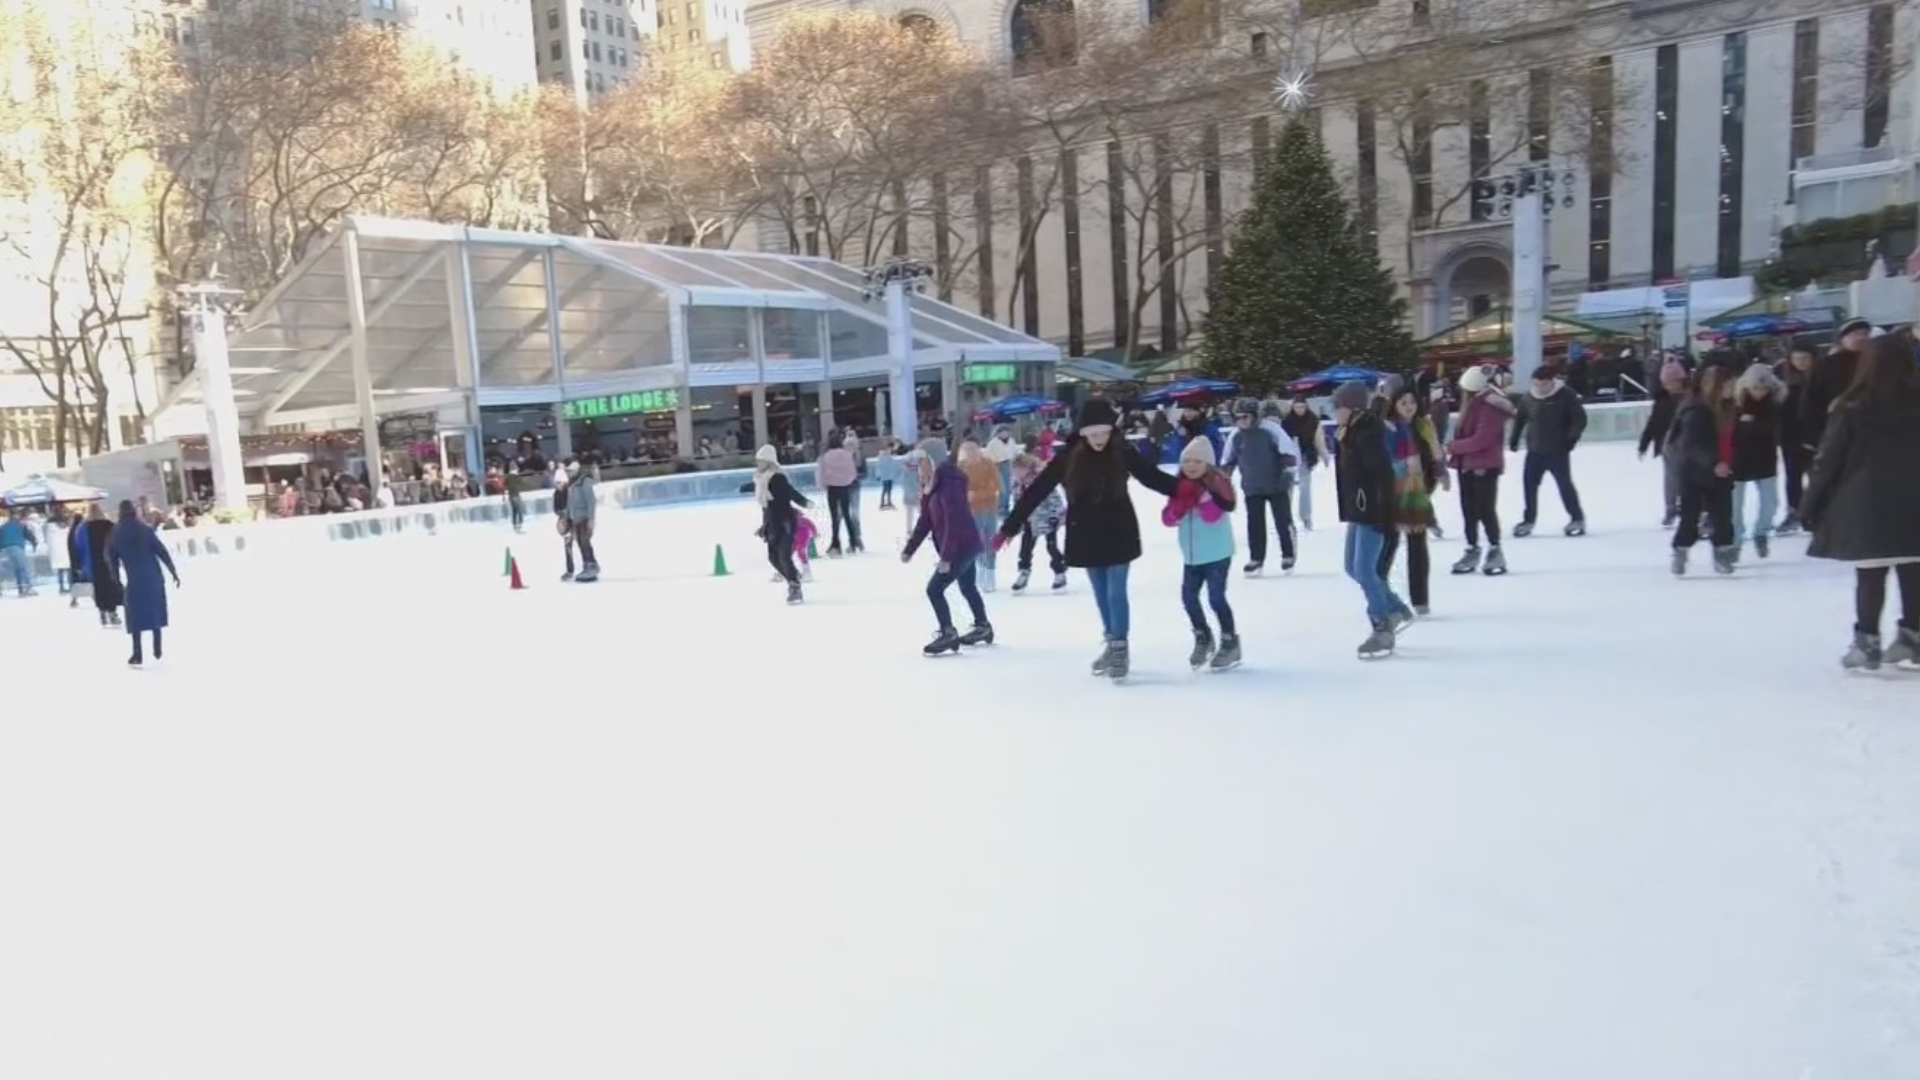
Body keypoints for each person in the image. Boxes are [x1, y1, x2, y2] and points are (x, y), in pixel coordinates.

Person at [998, 398, 1180, 682]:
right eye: (1093, 434)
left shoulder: (1122, 451)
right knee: (1100, 592)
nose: (1099, 439)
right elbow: (1037, 491)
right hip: (1085, 531)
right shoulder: (1068, 457)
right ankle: (1112, 640)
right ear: (1082, 432)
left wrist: (1189, 489)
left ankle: (1120, 647)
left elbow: (1152, 477)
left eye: (1104, 433)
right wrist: (1009, 527)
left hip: (1119, 528)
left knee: (1115, 590)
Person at [1801, 331, 1920, 669]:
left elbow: (1828, 461)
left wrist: (1809, 505)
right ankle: (1913, 635)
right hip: (1915, 502)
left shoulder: (1853, 407)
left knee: (1871, 575)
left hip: (1868, 504)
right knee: (1914, 568)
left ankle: (1867, 641)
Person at [1333, 381, 1411, 658]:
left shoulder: (1370, 433)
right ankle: (1396, 609)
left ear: (1353, 408)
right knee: (1353, 569)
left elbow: (1382, 475)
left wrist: (1381, 511)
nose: (1334, 412)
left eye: (1338, 406)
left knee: (1366, 571)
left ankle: (1382, 628)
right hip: (1358, 509)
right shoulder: (1349, 431)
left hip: (1374, 512)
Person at [902, 439, 992, 655]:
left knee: (934, 589)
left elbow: (955, 521)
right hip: (965, 545)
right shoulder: (932, 484)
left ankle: (948, 633)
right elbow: (926, 520)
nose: (919, 465)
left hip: (962, 545)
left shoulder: (949, 483)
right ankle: (983, 626)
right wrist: (910, 548)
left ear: (933, 460)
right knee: (968, 587)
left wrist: (947, 557)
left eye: (922, 460)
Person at [1164, 436, 1241, 671]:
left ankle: (1230, 642)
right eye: (1187, 461)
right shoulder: (1179, 487)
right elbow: (1167, 519)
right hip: (1192, 556)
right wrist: (1177, 508)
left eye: (1197, 461)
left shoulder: (1217, 485)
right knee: (1188, 598)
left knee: (1216, 597)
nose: (1191, 465)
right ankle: (1203, 636)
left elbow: (1212, 516)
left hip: (1217, 553)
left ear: (1208, 463)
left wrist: (1199, 499)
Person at [1381, 381, 1446, 616]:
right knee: (1387, 546)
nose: (1408, 407)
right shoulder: (1388, 429)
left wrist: (1439, 475)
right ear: (1395, 405)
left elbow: (1436, 455)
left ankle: (1420, 599)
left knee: (1417, 546)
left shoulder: (1425, 426)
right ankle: (1381, 594)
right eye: (1403, 403)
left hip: (1418, 493)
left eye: (1412, 402)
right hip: (1392, 493)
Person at [1668, 365, 1738, 576]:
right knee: (1690, 516)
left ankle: (1722, 553)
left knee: (1723, 516)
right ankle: (1681, 549)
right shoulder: (1696, 411)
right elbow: (1691, 445)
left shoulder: (1728, 408)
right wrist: (1713, 463)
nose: (1732, 390)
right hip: (1693, 472)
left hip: (1723, 471)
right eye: (1728, 386)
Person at [1447, 364, 1514, 576]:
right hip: (1466, 465)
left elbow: (1483, 439)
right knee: (1469, 510)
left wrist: (1453, 447)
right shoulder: (1474, 403)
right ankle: (1472, 548)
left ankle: (1495, 549)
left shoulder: (1488, 405)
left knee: (1485, 510)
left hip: (1484, 466)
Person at [1220, 399, 1299, 576]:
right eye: (1237, 417)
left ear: (1256, 416)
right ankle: (1256, 558)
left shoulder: (1270, 430)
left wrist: (1287, 474)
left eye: (1245, 417)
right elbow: (1227, 460)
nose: (1241, 421)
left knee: (1282, 521)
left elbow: (1288, 452)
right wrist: (1223, 481)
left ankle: (1288, 554)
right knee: (1254, 524)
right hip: (1252, 487)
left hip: (1276, 485)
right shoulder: (1236, 436)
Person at [1509, 365, 1588, 537]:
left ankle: (1577, 518)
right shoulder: (1529, 397)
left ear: (1551, 381)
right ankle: (1528, 520)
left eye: (1543, 384)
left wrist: (1571, 439)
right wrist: (1514, 438)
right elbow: (1520, 418)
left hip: (1558, 449)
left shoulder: (1566, 394)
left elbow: (1579, 419)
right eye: (1536, 384)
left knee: (1564, 485)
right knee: (1529, 486)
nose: (1539, 388)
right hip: (1535, 450)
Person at [107, 499, 180, 667]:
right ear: (134, 511)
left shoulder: (116, 533)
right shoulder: (145, 530)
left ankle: (137, 652)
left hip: (134, 579)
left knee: (135, 614)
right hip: (153, 575)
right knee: (155, 609)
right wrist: (173, 571)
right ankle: (157, 646)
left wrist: (116, 579)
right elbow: (161, 551)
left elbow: (111, 559)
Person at [1730, 361, 1786, 560]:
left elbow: (1776, 429)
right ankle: (1735, 542)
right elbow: (1730, 432)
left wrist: (1752, 426)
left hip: (1765, 458)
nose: (1759, 392)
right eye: (1755, 387)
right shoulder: (1735, 403)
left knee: (1770, 503)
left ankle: (1761, 533)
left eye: (1763, 388)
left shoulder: (1776, 404)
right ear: (1746, 386)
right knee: (1734, 507)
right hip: (1738, 459)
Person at [754, 444, 810, 604]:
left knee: (784, 555)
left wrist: (804, 502)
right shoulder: (760, 479)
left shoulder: (777, 477)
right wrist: (764, 525)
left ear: (769, 461)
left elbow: (789, 492)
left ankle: (794, 587)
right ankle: (793, 577)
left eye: (761, 461)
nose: (758, 464)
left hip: (785, 520)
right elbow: (766, 504)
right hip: (771, 521)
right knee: (773, 557)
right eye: (758, 461)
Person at [1638, 360, 1688, 527]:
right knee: (1671, 479)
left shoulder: (1692, 397)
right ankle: (1671, 509)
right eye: (1665, 383)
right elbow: (1653, 423)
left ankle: (1689, 507)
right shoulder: (1662, 400)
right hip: (1668, 443)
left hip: (1690, 442)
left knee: (1689, 478)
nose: (1668, 386)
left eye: (1671, 382)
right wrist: (1643, 444)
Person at [1008, 451, 1066, 592]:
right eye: (1014, 470)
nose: (1017, 473)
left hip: (1047, 518)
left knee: (1051, 547)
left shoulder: (1041, 480)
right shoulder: (1016, 483)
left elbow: (1055, 500)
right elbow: (1017, 502)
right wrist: (1017, 520)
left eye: (1020, 469)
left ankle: (1059, 572)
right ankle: (1024, 572)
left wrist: (1055, 516)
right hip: (1029, 520)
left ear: (1028, 468)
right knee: (1026, 548)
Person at [1774, 345, 1816, 534]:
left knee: (1816, 475)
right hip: (1789, 434)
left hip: (1816, 433)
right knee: (1793, 475)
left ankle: (1815, 512)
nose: (1801, 362)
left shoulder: (1820, 377)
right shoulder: (1781, 378)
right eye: (1797, 358)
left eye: (1805, 358)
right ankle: (1794, 511)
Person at [959, 439, 1003, 591]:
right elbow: (960, 489)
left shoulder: (988, 464)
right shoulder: (962, 467)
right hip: (972, 511)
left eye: (974, 451)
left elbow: (995, 486)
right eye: (968, 452)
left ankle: (990, 573)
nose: (971, 455)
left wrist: (976, 493)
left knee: (991, 541)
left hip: (990, 508)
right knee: (976, 543)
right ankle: (981, 571)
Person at [1278, 397, 1327, 531]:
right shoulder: (1287, 421)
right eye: (1297, 407)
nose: (1300, 410)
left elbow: (1318, 439)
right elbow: (1281, 440)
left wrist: (1324, 454)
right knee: (1289, 489)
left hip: (1307, 457)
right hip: (1290, 459)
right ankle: (1287, 518)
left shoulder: (1313, 420)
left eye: (1302, 407)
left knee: (1305, 488)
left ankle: (1306, 516)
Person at [817, 432, 862, 556]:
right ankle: (853, 541)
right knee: (847, 515)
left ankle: (836, 544)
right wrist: (846, 481)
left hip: (832, 488)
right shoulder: (847, 455)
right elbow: (853, 472)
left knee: (834, 517)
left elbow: (822, 474)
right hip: (844, 487)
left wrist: (824, 485)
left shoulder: (825, 457)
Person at [564, 458, 599, 582]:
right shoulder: (573, 483)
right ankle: (588, 565)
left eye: (569, 471)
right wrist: (568, 516)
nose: (567, 473)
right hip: (576, 518)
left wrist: (591, 519)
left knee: (585, 542)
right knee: (581, 542)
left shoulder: (584, 481)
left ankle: (591, 566)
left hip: (584, 517)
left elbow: (591, 501)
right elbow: (570, 501)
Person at [0, 508, 36, 597]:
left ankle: (21, 589)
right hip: (17, 546)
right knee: (24, 567)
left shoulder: (3, 526)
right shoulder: (20, 525)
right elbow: (29, 535)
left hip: (7, 548)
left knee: (17, 568)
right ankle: (28, 588)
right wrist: (34, 543)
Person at [985, 426, 1020, 516]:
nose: (1005, 434)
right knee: (1003, 487)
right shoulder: (993, 443)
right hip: (998, 465)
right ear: (998, 433)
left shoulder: (1011, 441)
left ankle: (1006, 506)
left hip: (1010, 464)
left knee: (1009, 487)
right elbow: (988, 457)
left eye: (1006, 432)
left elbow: (1015, 451)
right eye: (1002, 432)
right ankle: (1001, 507)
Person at [552, 469, 578, 581]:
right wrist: (561, 513)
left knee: (583, 545)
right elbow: (556, 508)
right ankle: (570, 570)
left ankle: (588, 566)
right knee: (568, 548)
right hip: (565, 523)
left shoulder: (571, 491)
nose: (558, 485)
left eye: (559, 482)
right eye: (556, 483)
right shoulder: (556, 494)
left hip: (576, 521)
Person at [45, 509, 72, 594]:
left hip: (57, 552)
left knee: (60, 570)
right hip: (67, 550)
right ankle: (71, 586)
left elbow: (47, 539)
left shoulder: (50, 527)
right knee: (69, 570)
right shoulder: (68, 528)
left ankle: (61, 587)